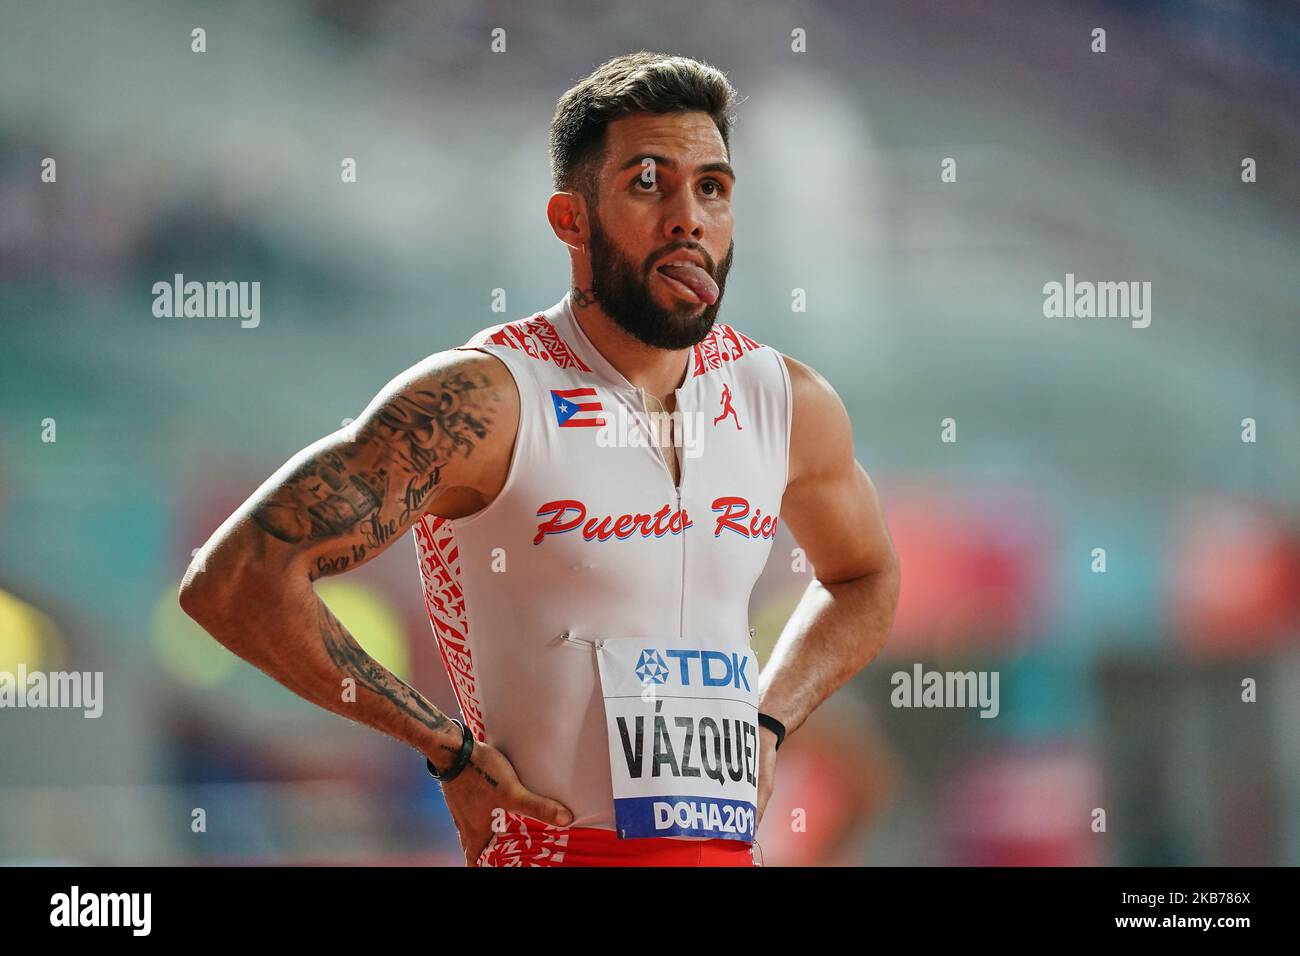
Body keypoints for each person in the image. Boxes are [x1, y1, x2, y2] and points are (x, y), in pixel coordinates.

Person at [179, 51, 900, 867]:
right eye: (646, 183)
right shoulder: (484, 400)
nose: (687, 217)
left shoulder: (784, 401)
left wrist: (771, 720)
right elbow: (235, 581)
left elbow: (867, 577)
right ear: (570, 219)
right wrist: (441, 748)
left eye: (712, 188)